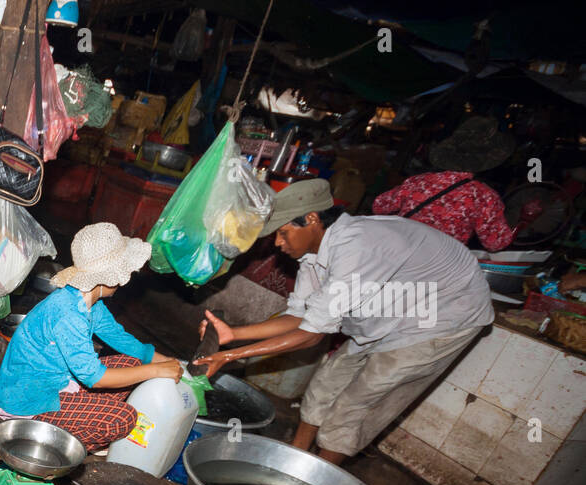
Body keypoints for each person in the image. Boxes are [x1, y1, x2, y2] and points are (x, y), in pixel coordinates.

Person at [198, 178, 494, 465]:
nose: (277, 243)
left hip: (442, 317)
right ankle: (292, 457)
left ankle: (307, 484)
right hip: (395, 311)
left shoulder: (357, 248)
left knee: (353, 407)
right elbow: (299, 316)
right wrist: (233, 334)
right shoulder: (314, 253)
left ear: (312, 219)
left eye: (283, 233)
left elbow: (311, 335)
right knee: (324, 385)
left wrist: (230, 355)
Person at [0, 223, 183, 452]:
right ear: (108, 277)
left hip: (57, 383)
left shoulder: (86, 300)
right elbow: (95, 378)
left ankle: (83, 420)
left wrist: (164, 361)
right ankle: (55, 443)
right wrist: (156, 370)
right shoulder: (68, 313)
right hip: (29, 401)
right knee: (124, 419)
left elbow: (118, 337)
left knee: (134, 363)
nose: (127, 278)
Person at [370, 117, 515, 251]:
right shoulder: (484, 196)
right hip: (440, 263)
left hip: (398, 251)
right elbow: (496, 243)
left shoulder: (418, 182)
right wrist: (522, 221)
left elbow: (379, 206)